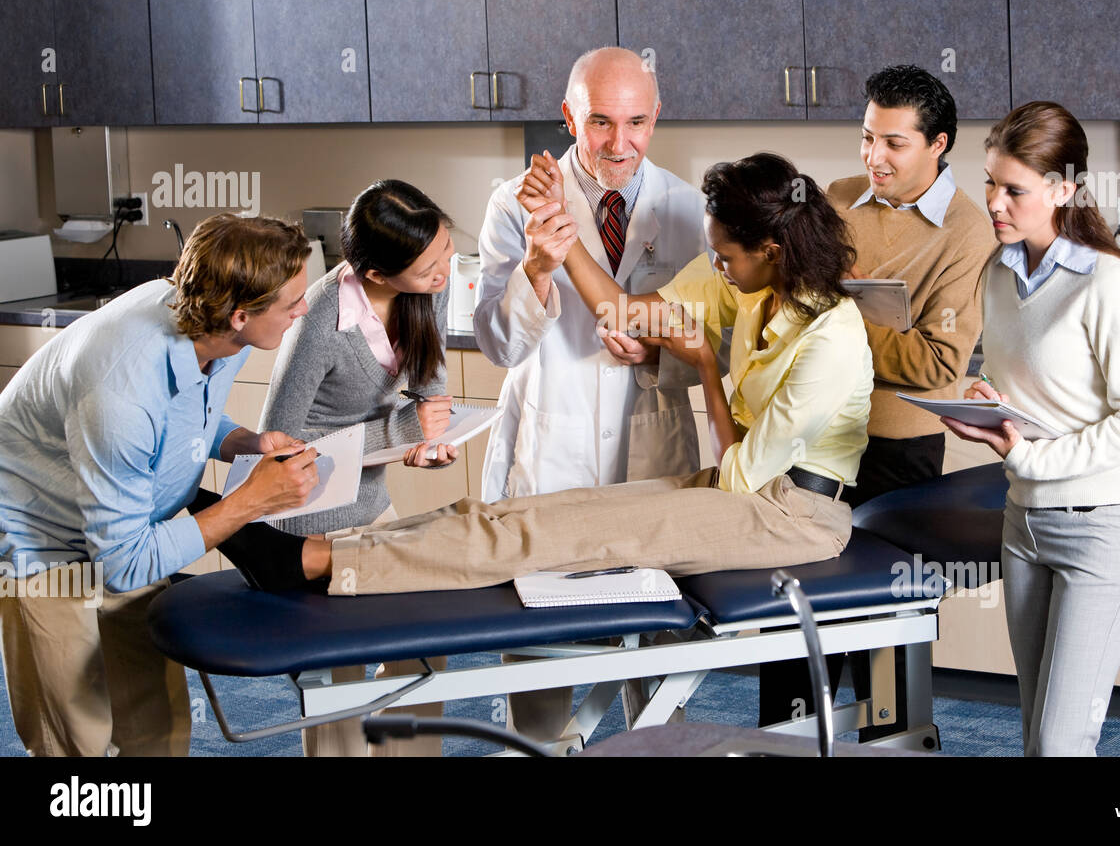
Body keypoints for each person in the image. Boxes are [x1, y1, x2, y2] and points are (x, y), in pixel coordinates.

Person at [219, 154, 872, 618]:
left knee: (555, 541)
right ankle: (316, 550)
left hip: (787, 515)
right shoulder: (756, 290)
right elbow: (625, 310)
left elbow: (740, 478)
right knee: (529, 513)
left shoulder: (830, 338)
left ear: (772, 251)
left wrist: (704, 363)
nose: (719, 271)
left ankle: (312, 563)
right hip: (747, 489)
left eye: (727, 258)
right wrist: (559, 230)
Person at [0, 214, 318, 756]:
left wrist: (246, 440)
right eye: (292, 304)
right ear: (241, 315)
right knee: (77, 736)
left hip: (127, 522)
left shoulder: (209, 321)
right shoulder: (120, 392)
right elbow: (123, 561)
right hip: (40, 542)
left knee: (157, 725)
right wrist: (248, 502)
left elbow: (180, 414)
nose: (303, 311)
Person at [474, 46, 712, 738]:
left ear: (656, 116)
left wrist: (655, 350)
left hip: (653, 449)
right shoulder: (512, 204)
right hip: (550, 448)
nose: (620, 142)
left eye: (636, 122)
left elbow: (709, 344)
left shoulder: (687, 209)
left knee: (660, 653)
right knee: (540, 656)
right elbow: (498, 344)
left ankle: (660, 751)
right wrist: (539, 271)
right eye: (600, 122)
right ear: (568, 116)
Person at [759, 64, 995, 733]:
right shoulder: (833, 200)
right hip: (812, 436)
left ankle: (893, 741)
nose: (874, 157)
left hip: (896, 447)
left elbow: (934, 361)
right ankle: (788, 745)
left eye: (894, 143)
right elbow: (787, 305)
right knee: (795, 608)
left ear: (937, 144)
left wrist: (842, 318)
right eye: (868, 138)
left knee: (881, 623)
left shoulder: (966, 233)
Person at [941, 101, 1120, 756]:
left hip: (1103, 533)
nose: (994, 202)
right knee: (1036, 736)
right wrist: (982, 399)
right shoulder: (1000, 271)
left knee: (1060, 743)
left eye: (1014, 189)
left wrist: (1034, 459)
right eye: (989, 181)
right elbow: (1023, 377)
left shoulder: (1108, 283)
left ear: (1065, 188)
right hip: (1026, 525)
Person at [257, 179, 456, 757]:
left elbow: (428, 386)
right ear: (375, 274)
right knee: (337, 677)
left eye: (446, 250)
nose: (443, 271)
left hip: (370, 501)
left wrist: (431, 440)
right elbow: (282, 446)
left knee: (424, 637)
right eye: (428, 266)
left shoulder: (429, 285)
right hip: (311, 513)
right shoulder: (318, 322)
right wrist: (404, 432)